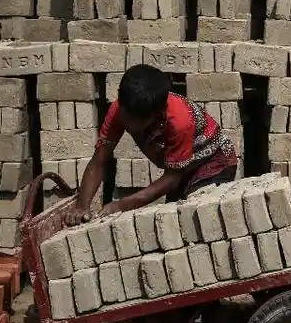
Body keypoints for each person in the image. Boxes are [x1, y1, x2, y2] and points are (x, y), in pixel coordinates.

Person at [64, 64, 240, 225]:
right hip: (181, 167)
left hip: (213, 162)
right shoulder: (119, 110)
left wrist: (121, 205)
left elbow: (172, 178)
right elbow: (99, 160)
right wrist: (82, 206)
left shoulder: (179, 121)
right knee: (173, 225)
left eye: (138, 121)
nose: (129, 125)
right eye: (126, 117)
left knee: (192, 220)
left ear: (158, 113)